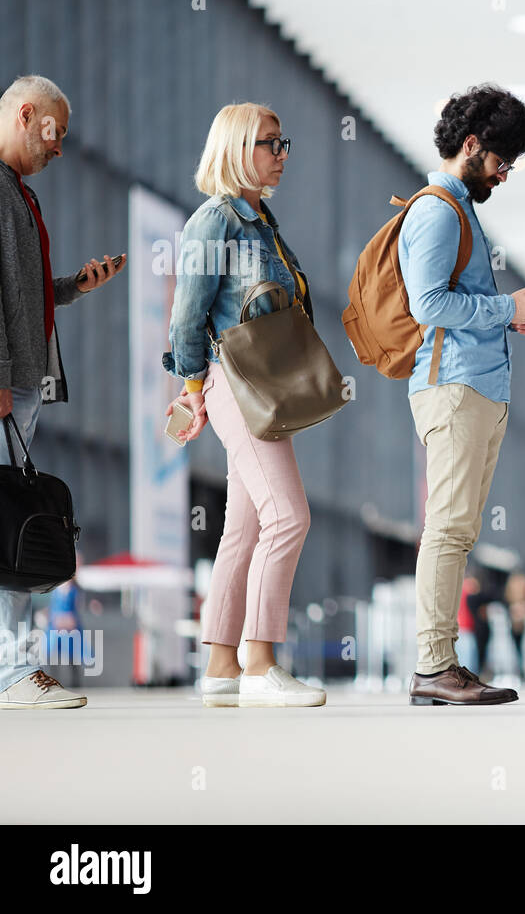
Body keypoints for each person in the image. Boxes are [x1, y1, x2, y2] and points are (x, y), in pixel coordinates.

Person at [163, 102, 325, 708]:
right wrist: (193, 387)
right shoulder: (215, 221)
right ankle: (261, 664)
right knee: (289, 516)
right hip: (235, 381)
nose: (280, 156)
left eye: (285, 144)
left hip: (264, 383)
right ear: (235, 148)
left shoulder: (261, 221)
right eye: (268, 144)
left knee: (245, 527)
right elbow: (188, 314)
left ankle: (221, 670)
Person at [405, 84, 525, 707]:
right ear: (472, 145)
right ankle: (433, 665)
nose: (505, 174)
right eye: (501, 161)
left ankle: (441, 664)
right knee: (447, 529)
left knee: (458, 531)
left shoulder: (461, 208)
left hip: (478, 388)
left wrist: (508, 315)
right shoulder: (438, 209)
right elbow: (428, 303)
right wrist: (504, 307)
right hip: (454, 385)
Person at [0, 75, 122, 711]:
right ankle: (12, 672)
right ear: (26, 114)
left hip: (22, 380)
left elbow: (20, 289)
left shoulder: (17, 193)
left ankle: (14, 670)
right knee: (6, 526)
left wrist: (74, 285)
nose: (59, 148)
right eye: (54, 132)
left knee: (9, 525)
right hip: (6, 381)